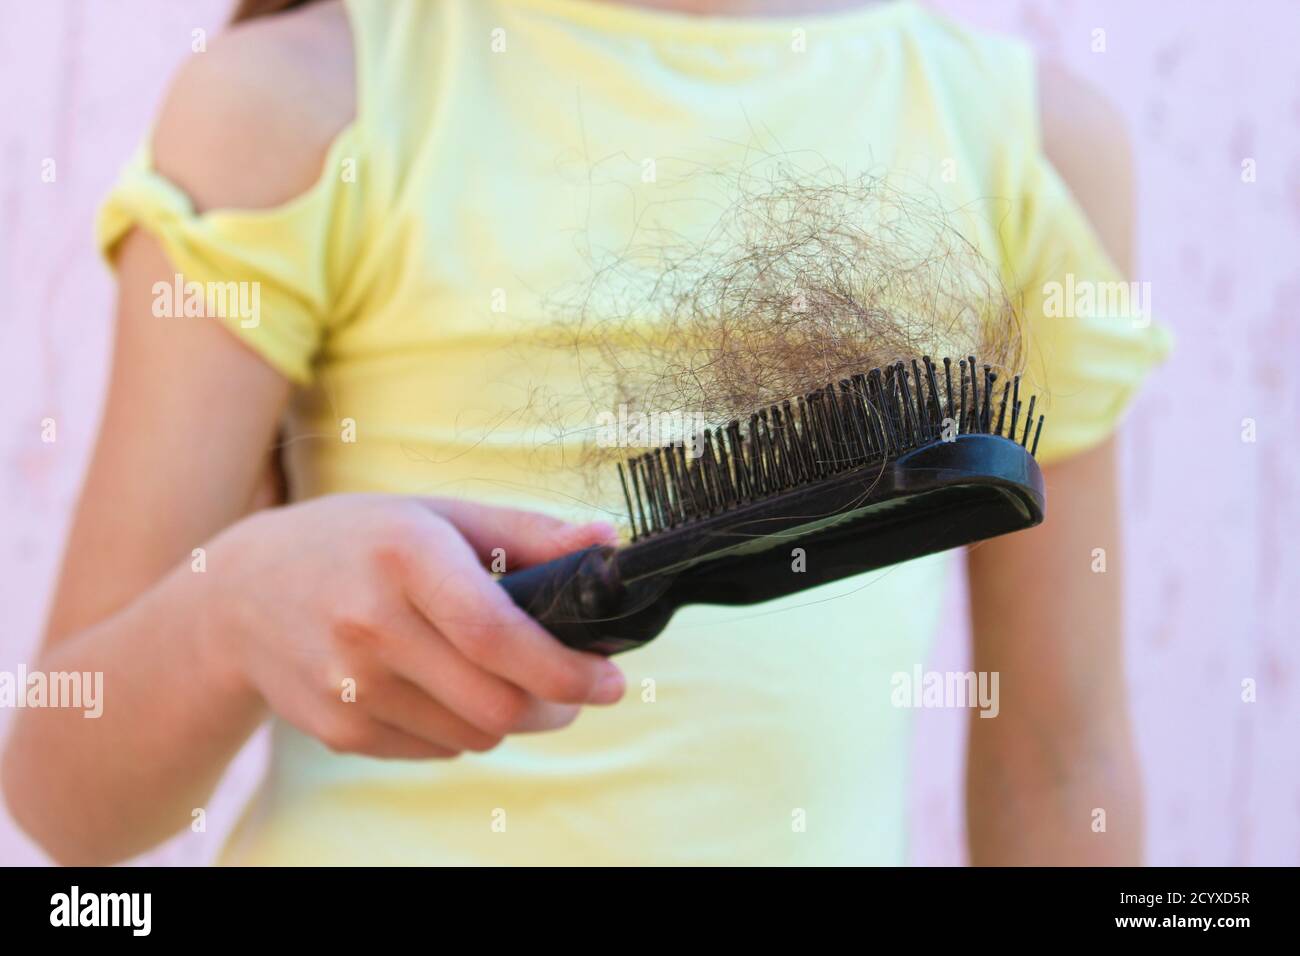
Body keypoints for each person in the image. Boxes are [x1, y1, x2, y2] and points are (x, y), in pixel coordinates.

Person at [2, 0, 1171, 865]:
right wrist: (229, 613)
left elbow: (1058, 765)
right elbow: (62, 797)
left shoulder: (1028, 147)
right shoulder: (303, 101)